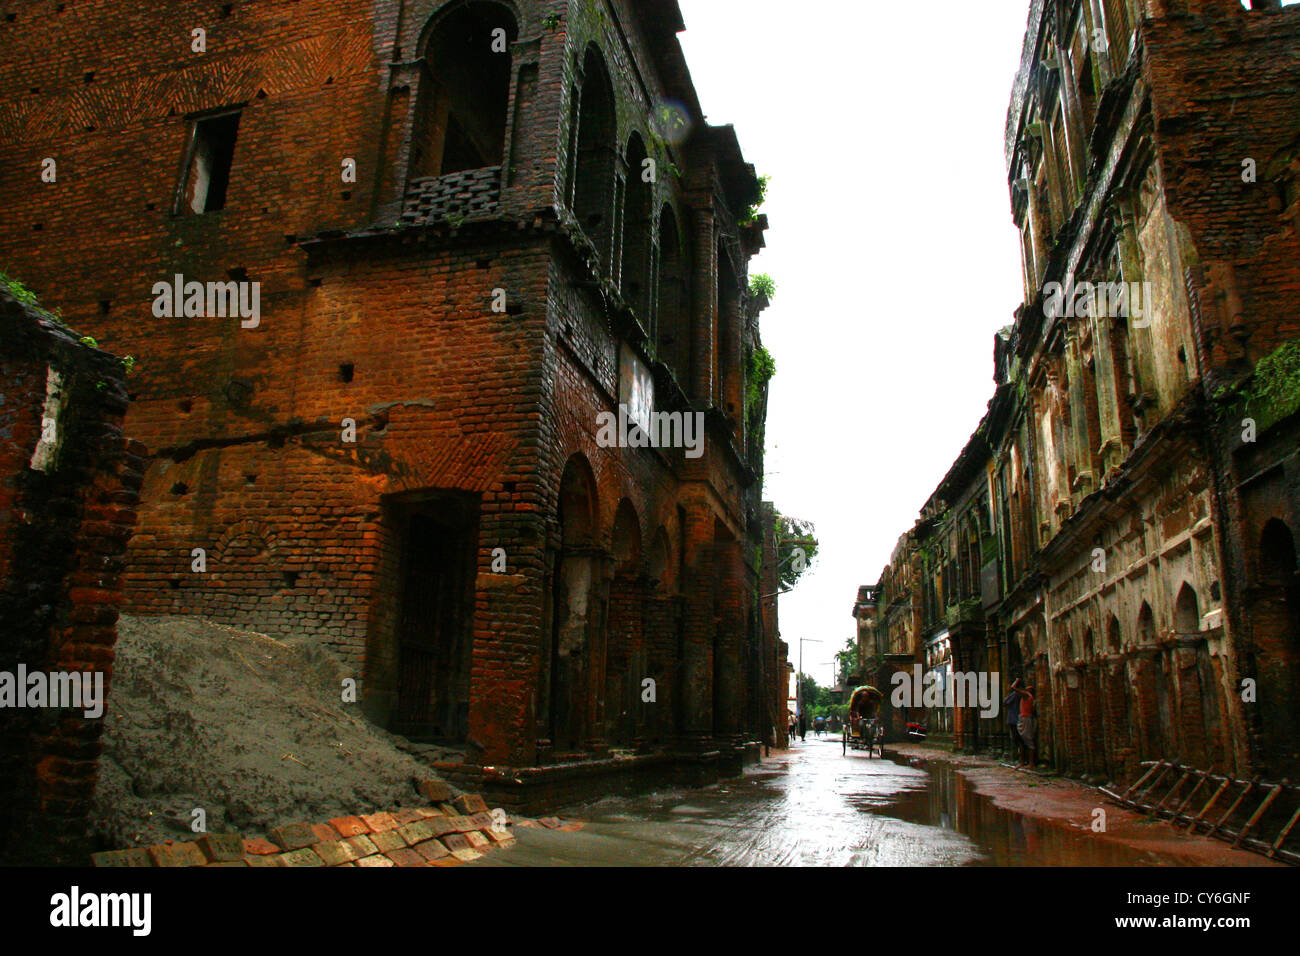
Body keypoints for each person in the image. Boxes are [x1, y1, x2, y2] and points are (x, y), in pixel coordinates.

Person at [1017, 684, 1038, 768]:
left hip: (1026, 718)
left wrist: (1017, 681)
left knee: (1028, 740)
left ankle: (1031, 763)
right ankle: (1022, 762)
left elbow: (1013, 688)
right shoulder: (1029, 698)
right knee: (1022, 741)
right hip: (1023, 717)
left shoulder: (1028, 696)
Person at [1005, 680, 1025, 763]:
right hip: (1017, 718)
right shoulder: (1020, 694)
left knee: (1018, 739)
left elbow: (1005, 702)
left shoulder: (1016, 694)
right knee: (1019, 739)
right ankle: (1021, 758)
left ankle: (1021, 759)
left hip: (1014, 719)